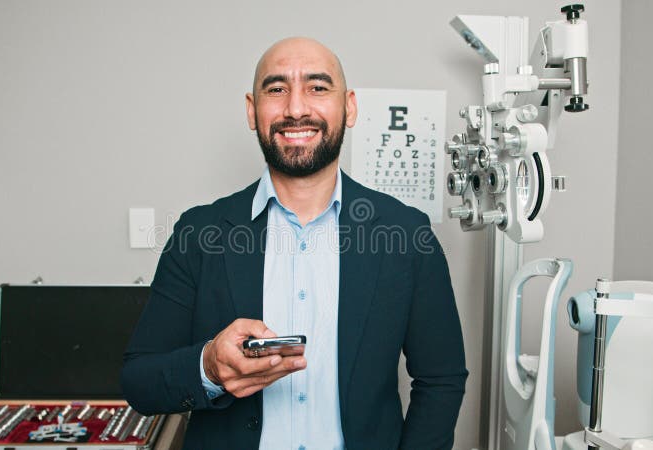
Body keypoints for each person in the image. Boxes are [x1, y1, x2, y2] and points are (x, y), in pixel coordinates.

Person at [122, 37, 467, 450]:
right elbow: (140, 381)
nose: (296, 108)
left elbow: (442, 379)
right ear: (253, 111)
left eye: (318, 88)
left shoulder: (408, 235)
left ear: (350, 107)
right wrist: (208, 367)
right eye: (277, 89)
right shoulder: (198, 234)